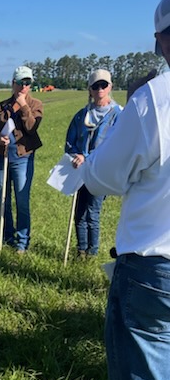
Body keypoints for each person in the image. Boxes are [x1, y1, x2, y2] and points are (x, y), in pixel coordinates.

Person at [79, 0, 170, 380]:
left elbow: (106, 177)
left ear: (162, 40)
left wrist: (94, 167)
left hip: (155, 264)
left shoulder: (153, 102)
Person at [66, 69, 122, 258]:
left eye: (103, 85)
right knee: (79, 212)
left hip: (101, 172)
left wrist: (88, 157)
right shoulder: (82, 115)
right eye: (95, 86)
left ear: (110, 87)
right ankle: (81, 250)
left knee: (93, 211)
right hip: (79, 171)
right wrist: (74, 156)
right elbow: (70, 142)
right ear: (89, 89)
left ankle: (93, 252)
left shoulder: (118, 115)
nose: (100, 89)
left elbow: (116, 146)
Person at [0, 66, 43, 253]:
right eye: (21, 83)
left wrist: (23, 105)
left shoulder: (36, 105)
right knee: (3, 199)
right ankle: (7, 236)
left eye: (28, 83)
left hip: (22, 158)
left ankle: (22, 242)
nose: (24, 87)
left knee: (22, 200)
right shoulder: (2, 106)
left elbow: (31, 128)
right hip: (1, 158)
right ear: (13, 83)